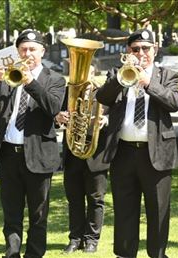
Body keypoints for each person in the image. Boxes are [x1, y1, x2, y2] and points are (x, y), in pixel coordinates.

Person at [0, 29, 66, 258]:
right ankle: (12, 253)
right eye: (23, 49)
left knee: (38, 214)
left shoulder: (54, 79)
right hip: (9, 154)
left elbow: (53, 108)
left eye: (32, 49)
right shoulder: (8, 76)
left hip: (38, 154)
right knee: (11, 212)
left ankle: (34, 254)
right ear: (17, 52)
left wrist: (30, 82)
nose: (28, 53)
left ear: (42, 51)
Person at [96, 29, 178, 258]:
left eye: (146, 48)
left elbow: (175, 102)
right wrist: (121, 77)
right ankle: (125, 254)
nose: (141, 53)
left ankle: (158, 254)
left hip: (155, 152)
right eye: (136, 49)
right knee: (125, 209)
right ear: (128, 51)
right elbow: (103, 97)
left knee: (158, 209)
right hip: (123, 151)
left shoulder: (167, 75)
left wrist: (148, 83)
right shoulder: (118, 73)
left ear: (155, 50)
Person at [57, 66, 109, 254]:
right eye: (77, 72)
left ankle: (91, 239)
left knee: (96, 199)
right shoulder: (68, 91)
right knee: (74, 199)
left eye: (85, 72)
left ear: (93, 74)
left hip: (96, 154)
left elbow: (115, 114)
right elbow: (58, 116)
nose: (80, 76)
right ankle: (75, 238)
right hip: (73, 152)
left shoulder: (104, 92)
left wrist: (106, 120)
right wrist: (60, 118)